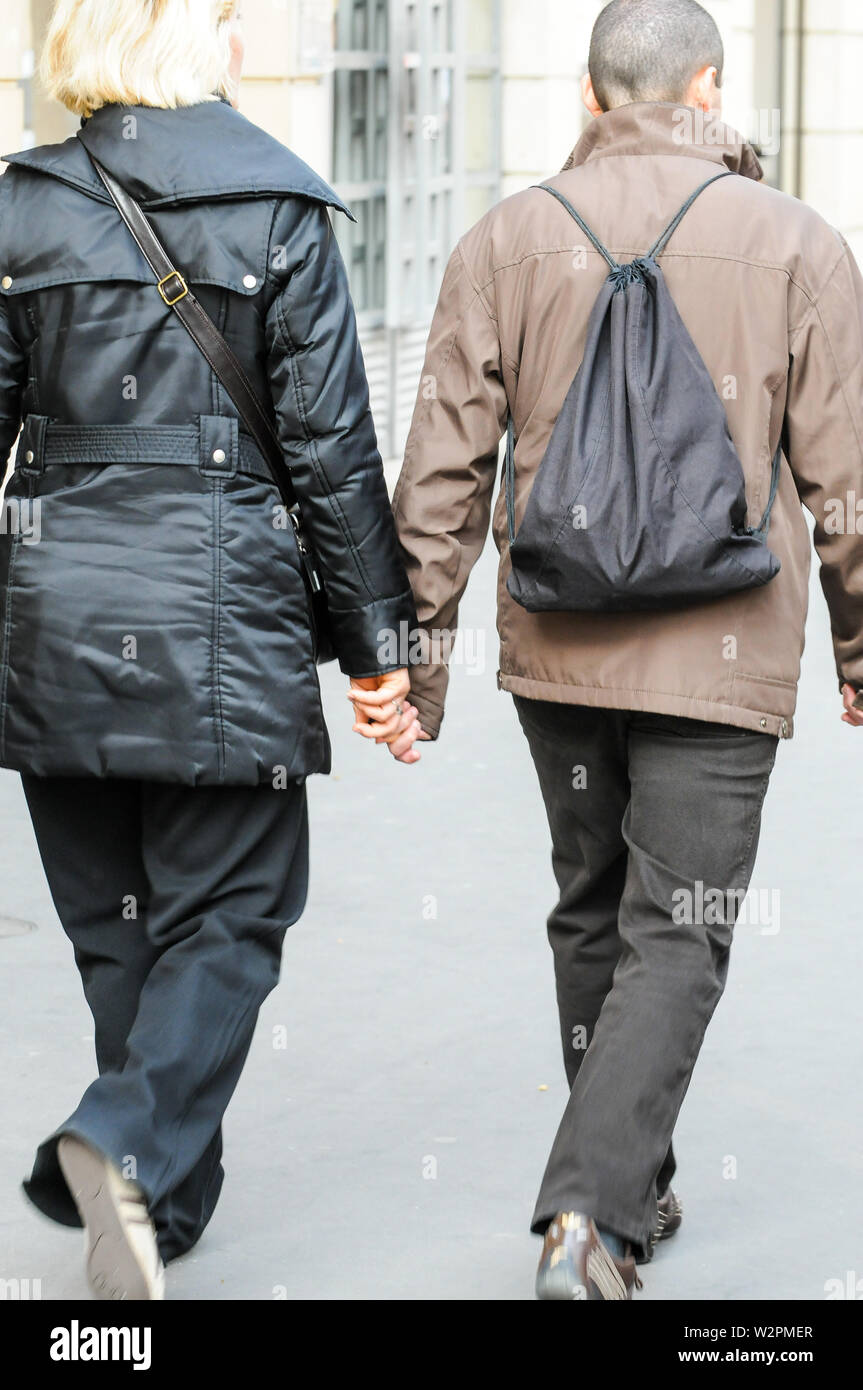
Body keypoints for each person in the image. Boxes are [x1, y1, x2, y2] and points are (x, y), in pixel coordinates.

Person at [392, 0, 863, 1299]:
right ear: (709, 86)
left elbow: (440, 468)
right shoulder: (799, 244)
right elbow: (847, 479)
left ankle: (629, 1174)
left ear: (591, 94)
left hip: (557, 649)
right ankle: (588, 1219)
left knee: (594, 907)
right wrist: (861, 648)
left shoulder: (506, 238)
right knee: (682, 927)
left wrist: (412, 651)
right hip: (721, 659)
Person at [0, 0, 423, 1301]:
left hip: (57, 618)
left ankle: (156, 1204)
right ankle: (121, 1142)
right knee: (230, 914)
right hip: (221, 620)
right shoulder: (274, 206)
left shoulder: (20, 213)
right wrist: (379, 653)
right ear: (202, 37)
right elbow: (334, 460)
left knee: (116, 927)